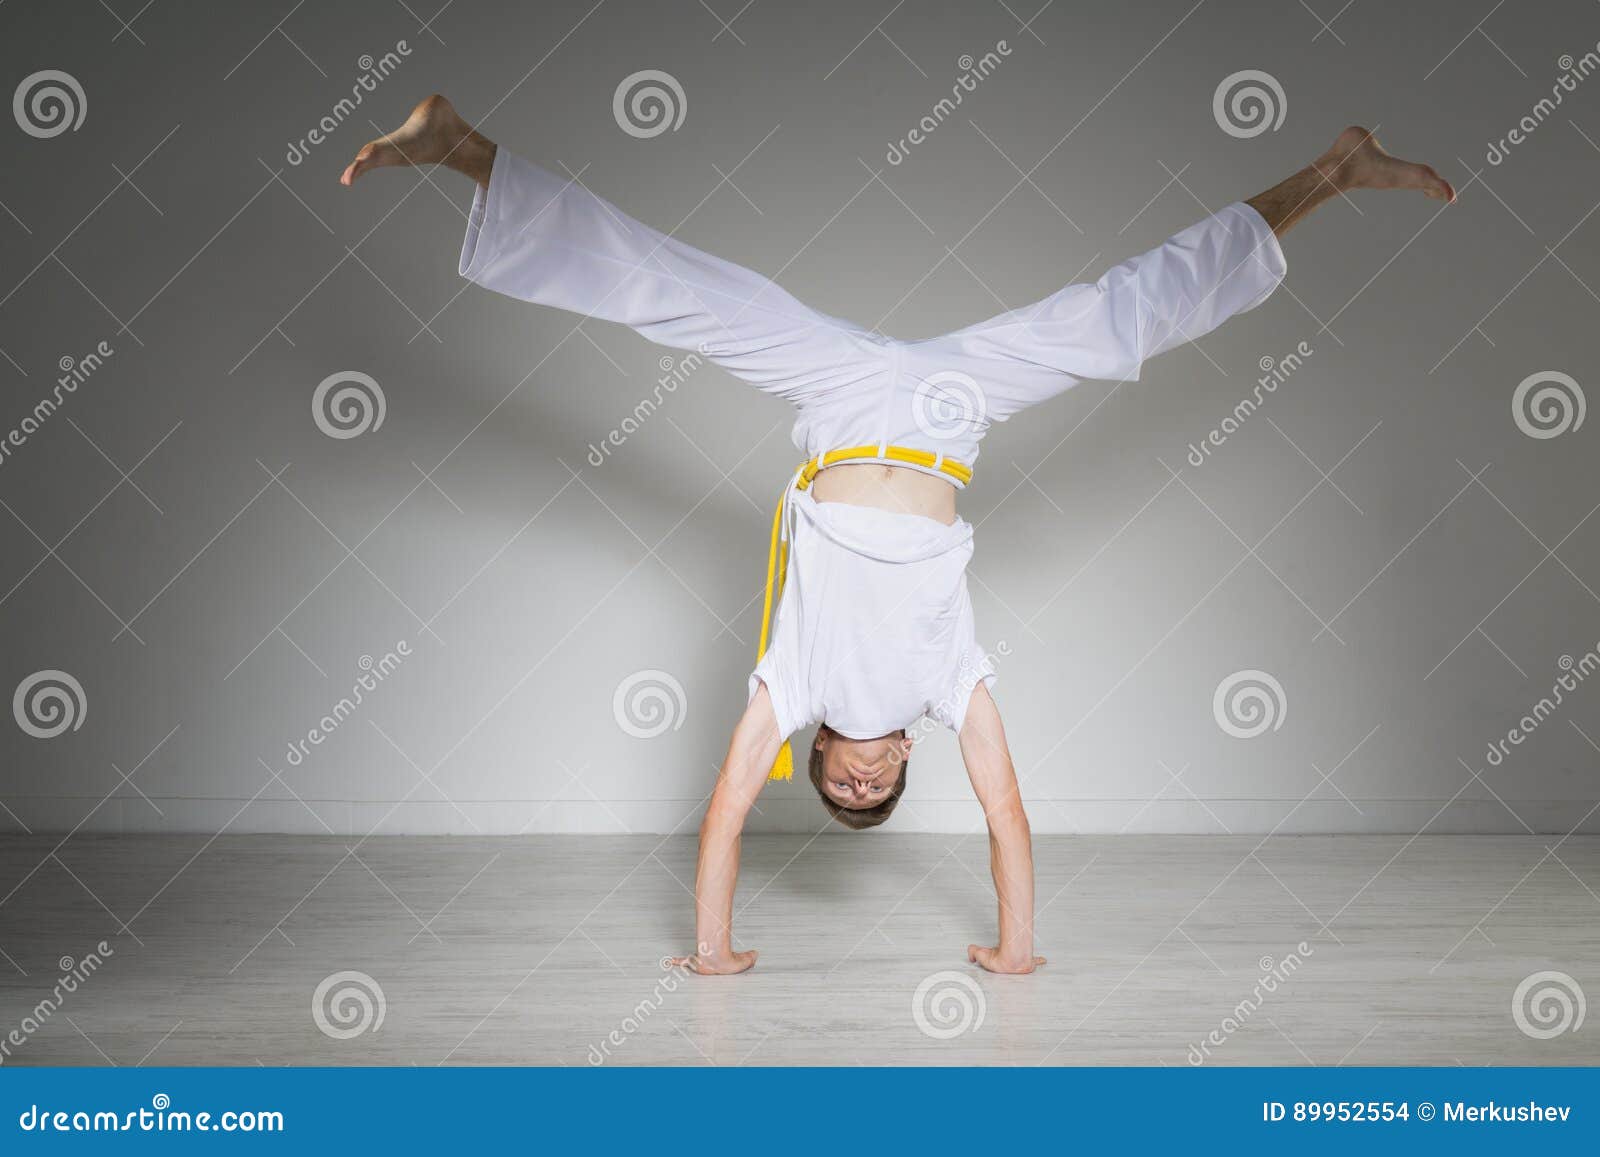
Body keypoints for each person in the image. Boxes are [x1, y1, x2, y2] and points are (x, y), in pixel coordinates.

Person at [343, 95, 1454, 976]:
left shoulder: (792, 683)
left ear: (821, 757)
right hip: (947, 413)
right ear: (906, 760)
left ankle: (459, 147)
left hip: (835, 397)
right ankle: (1335, 172)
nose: (864, 779)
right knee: (1126, 317)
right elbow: (1006, 810)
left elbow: (726, 811)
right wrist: (1016, 948)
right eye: (878, 791)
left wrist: (714, 950)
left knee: (670, 286)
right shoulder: (947, 686)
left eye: (846, 788)